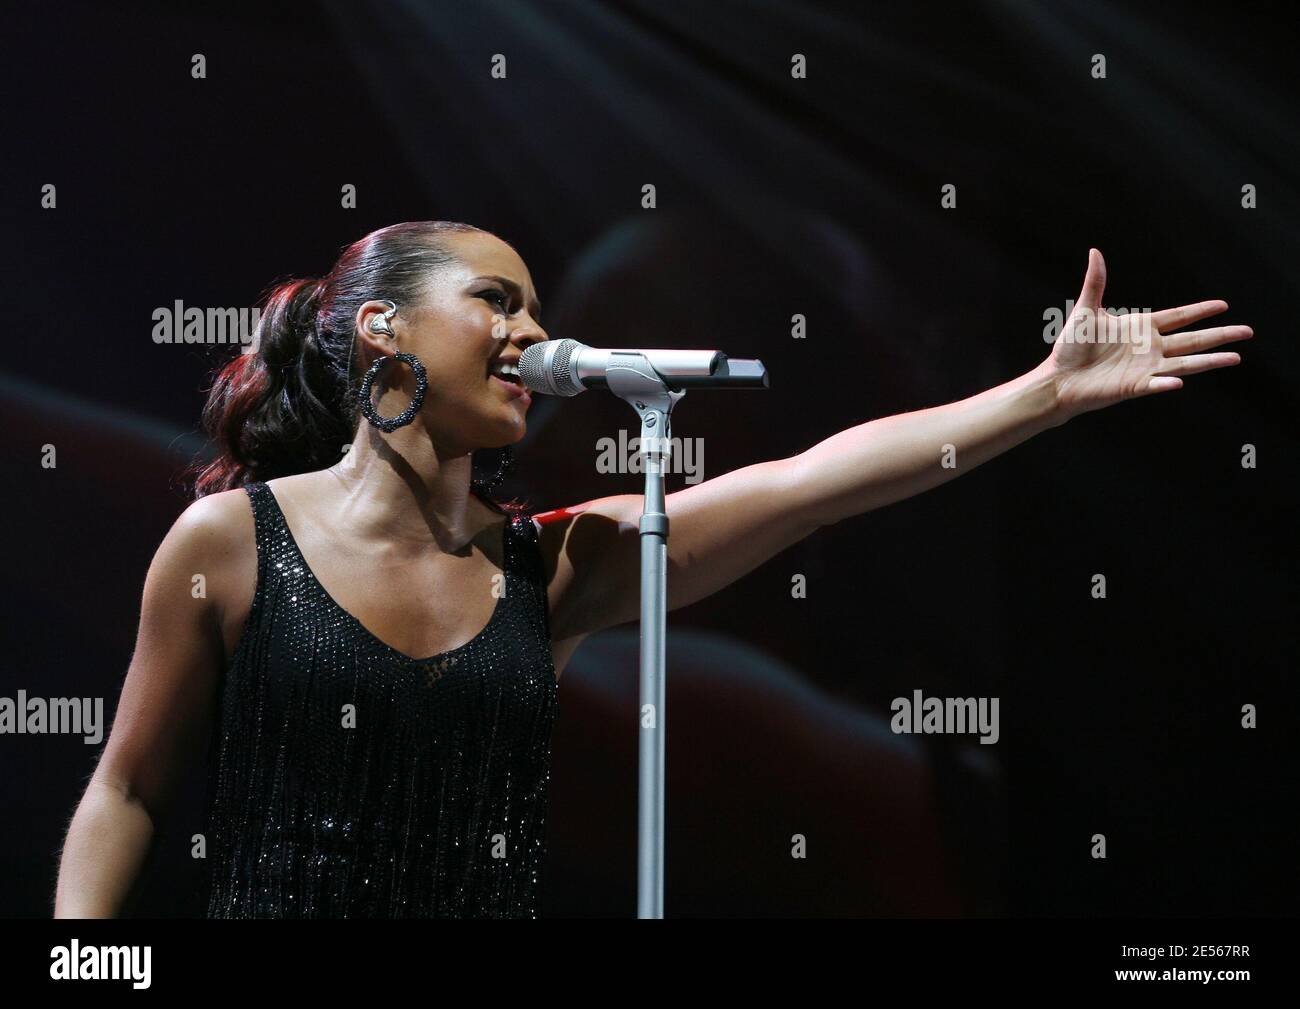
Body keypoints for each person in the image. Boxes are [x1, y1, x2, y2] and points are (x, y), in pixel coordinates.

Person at [52, 220, 1252, 918]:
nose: (531, 335)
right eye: (495, 304)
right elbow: (128, 790)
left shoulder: (559, 562)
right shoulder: (232, 541)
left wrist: (1040, 396)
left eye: (534, 311)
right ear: (382, 330)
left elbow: (816, 478)